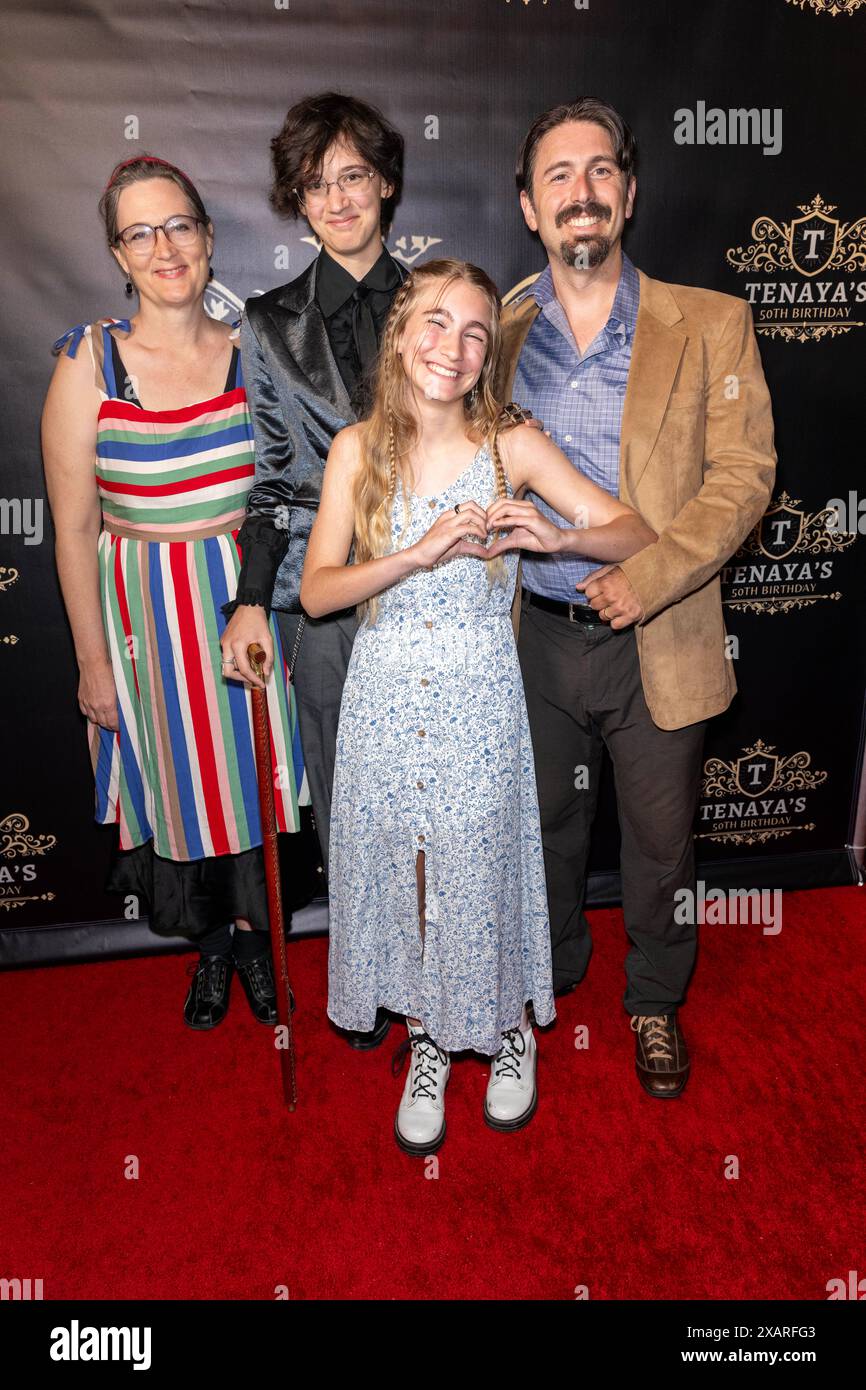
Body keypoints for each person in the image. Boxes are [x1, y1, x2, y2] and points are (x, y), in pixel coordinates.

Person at [300, 258, 657, 1156]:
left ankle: (505, 1035)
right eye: (433, 322)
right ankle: (426, 1036)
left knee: (483, 865)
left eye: (471, 331)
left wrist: (561, 536)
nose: (452, 347)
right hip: (384, 694)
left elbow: (636, 532)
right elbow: (316, 593)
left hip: (480, 696)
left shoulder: (512, 445)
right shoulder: (356, 449)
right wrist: (415, 555)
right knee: (412, 873)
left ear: (487, 351)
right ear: (400, 334)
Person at [497, 98, 777, 1098]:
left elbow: (742, 479)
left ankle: (653, 998)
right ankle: (550, 975)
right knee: (544, 829)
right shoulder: (495, 333)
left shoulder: (709, 322)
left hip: (659, 632)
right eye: (557, 175)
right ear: (530, 207)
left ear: (628, 190)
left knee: (660, 844)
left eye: (599, 169)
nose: (582, 190)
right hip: (532, 637)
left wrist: (644, 575)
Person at [42, 155, 307, 1031]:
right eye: (141, 233)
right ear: (119, 255)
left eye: (180, 226)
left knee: (250, 786)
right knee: (176, 791)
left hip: (242, 614)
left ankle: (256, 944)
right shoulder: (89, 363)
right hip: (142, 632)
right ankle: (212, 951)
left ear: (209, 238)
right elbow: (76, 529)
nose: (165, 248)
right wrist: (92, 665)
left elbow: (281, 494)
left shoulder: (252, 357)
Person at [220, 92, 408, 1050]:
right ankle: (369, 966)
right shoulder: (267, 323)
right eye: (315, 183)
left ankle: (450, 956)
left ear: (384, 184)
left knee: (441, 785)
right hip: (320, 597)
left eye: (352, 177)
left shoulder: (447, 302)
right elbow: (265, 484)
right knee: (345, 793)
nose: (336, 198)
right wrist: (251, 601)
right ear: (296, 200)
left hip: (440, 590)